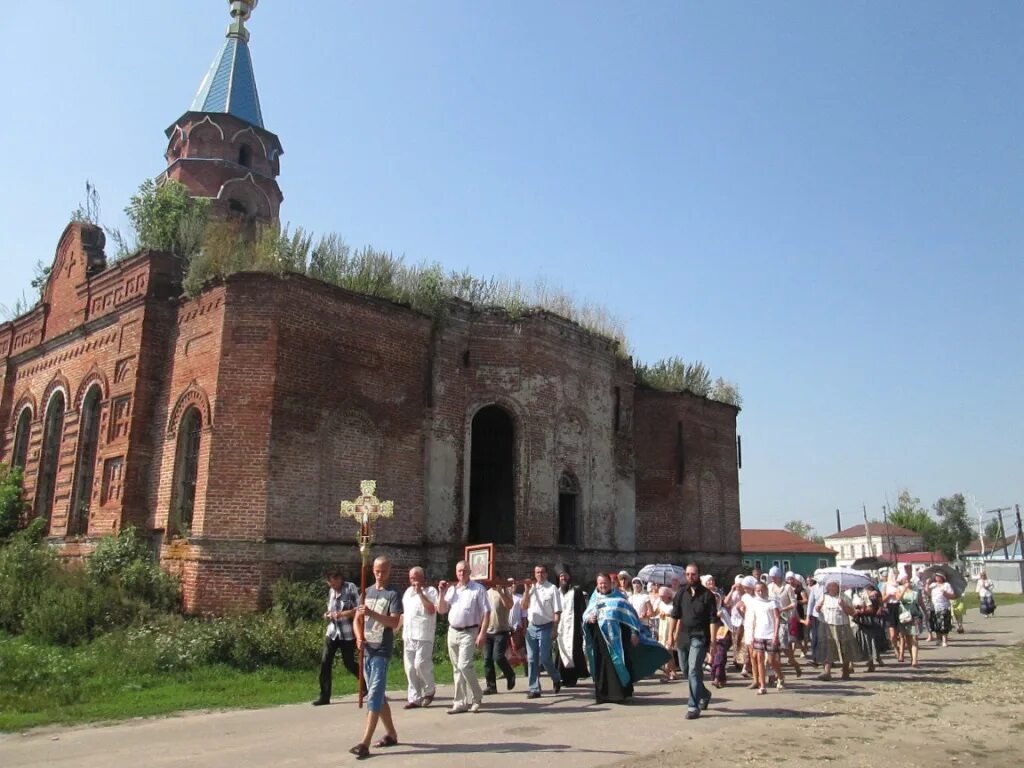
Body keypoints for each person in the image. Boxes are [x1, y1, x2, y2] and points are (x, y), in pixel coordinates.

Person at [583, 573, 671, 704]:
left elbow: (631, 616)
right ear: (597, 584)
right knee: (601, 666)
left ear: (610, 583)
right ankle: (602, 695)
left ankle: (619, 694)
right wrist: (588, 619)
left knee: (618, 664)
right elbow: (585, 616)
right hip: (600, 640)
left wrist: (634, 633)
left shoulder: (620, 598)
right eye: (600, 583)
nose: (603, 585)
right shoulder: (594, 599)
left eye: (605, 582)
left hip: (618, 640)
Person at [349, 556, 402, 760]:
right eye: (377, 571)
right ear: (373, 570)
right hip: (367, 650)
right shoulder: (367, 592)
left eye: (384, 571)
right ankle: (391, 733)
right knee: (377, 694)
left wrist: (373, 613)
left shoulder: (394, 594)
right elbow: (357, 619)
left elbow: (394, 622)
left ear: (389, 571)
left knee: (374, 695)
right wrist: (359, 636)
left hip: (381, 650)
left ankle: (365, 743)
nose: (380, 575)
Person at [437, 560, 490, 714]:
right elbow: (441, 610)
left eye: (464, 571)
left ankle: (477, 696)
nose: (461, 573)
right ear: (456, 572)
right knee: (456, 669)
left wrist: (482, 633)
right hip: (453, 631)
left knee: (464, 665)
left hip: (469, 631)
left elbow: (487, 612)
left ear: (469, 572)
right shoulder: (452, 590)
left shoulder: (478, 590)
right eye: (459, 571)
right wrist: (441, 592)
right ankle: (460, 702)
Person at [670, 563, 718, 719]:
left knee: (693, 670)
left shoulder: (707, 595)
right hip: (683, 636)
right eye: (688, 574)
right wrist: (671, 635)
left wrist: (713, 642)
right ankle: (704, 694)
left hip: (700, 636)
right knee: (685, 670)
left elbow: (713, 620)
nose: (691, 577)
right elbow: (675, 616)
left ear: (699, 575)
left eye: (694, 574)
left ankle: (693, 706)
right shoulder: (681, 593)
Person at [313, 568, 359, 706]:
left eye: (335, 582)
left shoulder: (350, 588)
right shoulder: (331, 592)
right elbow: (331, 609)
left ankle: (365, 684)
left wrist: (341, 614)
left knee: (349, 662)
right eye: (331, 584)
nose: (333, 586)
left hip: (347, 633)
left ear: (340, 579)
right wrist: (327, 614)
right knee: (325, 662)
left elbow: (358, 609)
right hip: (333, 632)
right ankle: (324, 696)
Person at [520, 564, 563, 698]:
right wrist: (527, 591)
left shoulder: (552, 589)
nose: (540, 575)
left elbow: (557, 611)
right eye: (537, 572)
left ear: (546, 574)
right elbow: (523, 606)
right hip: (532, 627)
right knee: (532, 659)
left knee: (544, 658)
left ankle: (556, 678)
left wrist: (555, 628)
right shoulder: (531, 588)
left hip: (546, 626)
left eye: (542, 572)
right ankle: (534, 688)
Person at [811, 579, 865, 680]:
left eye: (833, 586)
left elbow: (853, 613)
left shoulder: (844, 597)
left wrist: (843, 605)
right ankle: (827, 672)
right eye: (829, 586)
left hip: (842, 626)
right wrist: (818, 607)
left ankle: (845, 672)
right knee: (828, 648)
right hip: (827, 626)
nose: (830, 588)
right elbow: (817, 610)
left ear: (837, 587)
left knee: (845, 649)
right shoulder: (824, 597)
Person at [400, 566, 438, 708]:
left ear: (422, 578)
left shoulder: (431, 591)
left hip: (424, 634)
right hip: (408, 635)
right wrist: (396, 627)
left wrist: (421, 593)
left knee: (420, 664)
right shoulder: (407, 593)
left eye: (416, 577)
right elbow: (405, 614)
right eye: (411, 578)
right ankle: (414, 698)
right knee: (410, 668)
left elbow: (431, 609)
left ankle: (429, 690)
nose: (413, 580)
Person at [555, 566, 590, 687]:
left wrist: (582, 627)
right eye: (561, 576)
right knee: (562, 651)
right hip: (561, 627)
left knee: (574, 652)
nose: (563, 578)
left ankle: (572, 678)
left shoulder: (576, 591)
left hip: (574, 627)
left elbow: (582, 609)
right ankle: (562, 676)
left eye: (565, 575)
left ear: (569, 576)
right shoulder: (556, 592)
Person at [483, 575, 517, 694]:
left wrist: (501, 592)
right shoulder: (486, 593)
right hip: (488, 631)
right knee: (487, 659)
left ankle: (510, 674)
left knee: (498, 657)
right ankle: (491, 686)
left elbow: (509, 605)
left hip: (501, 631)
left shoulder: (505, 591)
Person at [749, 580, 784, 693]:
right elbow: (754, 619)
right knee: (759, 659)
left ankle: (780, 676)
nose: (760, 592)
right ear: (755, 591)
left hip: (770, 634)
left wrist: (775, 634)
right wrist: (752, 635)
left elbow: (777, 618)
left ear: (766, 590)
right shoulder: (754, 603)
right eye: (757, 590)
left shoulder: (772, 602)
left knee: (771, 660)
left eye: (762, 590)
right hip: (759, 634)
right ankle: (762, 686)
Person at [767, 566, 802, 678]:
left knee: (783, 645)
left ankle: (794, 663)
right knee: (772, 647)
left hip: (783, 619)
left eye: (775, 577)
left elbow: (794, 603)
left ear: (779, 576)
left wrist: (783, 609)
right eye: (771, 577)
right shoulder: (769, 587)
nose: (773, 579)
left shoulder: (787, 588)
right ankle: (775, 674)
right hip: (771, 619)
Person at [852, 585, 885, 672]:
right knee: (852, 643)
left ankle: (871, 663)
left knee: (867, 642)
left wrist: (860, 609)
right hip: (851, 621)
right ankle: (850, 666)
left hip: (863, 621)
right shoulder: (848, 593)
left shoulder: (864, 593)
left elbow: (871, 608)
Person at [895, 575, 924, 667]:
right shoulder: (899, 588)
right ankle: (912, 657)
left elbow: (920, 602)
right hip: (904, 616)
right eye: (905, 579)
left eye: (908, 579)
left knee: (915, 636)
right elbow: (898, 598)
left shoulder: (916, 589)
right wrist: (904, 589)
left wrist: (925, 612)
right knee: (907, 638)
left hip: (914, 614)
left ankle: (915, 660)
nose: (907, 581)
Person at [654, 586, 678, 681]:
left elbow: (676, 616)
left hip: (670, 627)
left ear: (668, 595)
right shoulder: (660, 603)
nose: (661, 597)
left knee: (668, 650)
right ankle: (673, 672)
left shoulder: (674, 604)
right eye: (660, 596)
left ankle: (666, 672)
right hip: (662, 627)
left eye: (663, 596)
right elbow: (654, 613)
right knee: (667, 650)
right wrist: (659, 613)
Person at [928, 573, 956, 647]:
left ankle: (944, 640)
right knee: (936, 624)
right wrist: (927, 583)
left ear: (942, 577)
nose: (936, 577)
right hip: (934, 607)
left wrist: (945, 594)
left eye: (938, 576)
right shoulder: (933, 585)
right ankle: (938, 639)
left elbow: (953, 595)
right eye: (936, 576)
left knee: (943, 624)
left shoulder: (946, 585)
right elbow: (927, 592)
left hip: (943, 607)